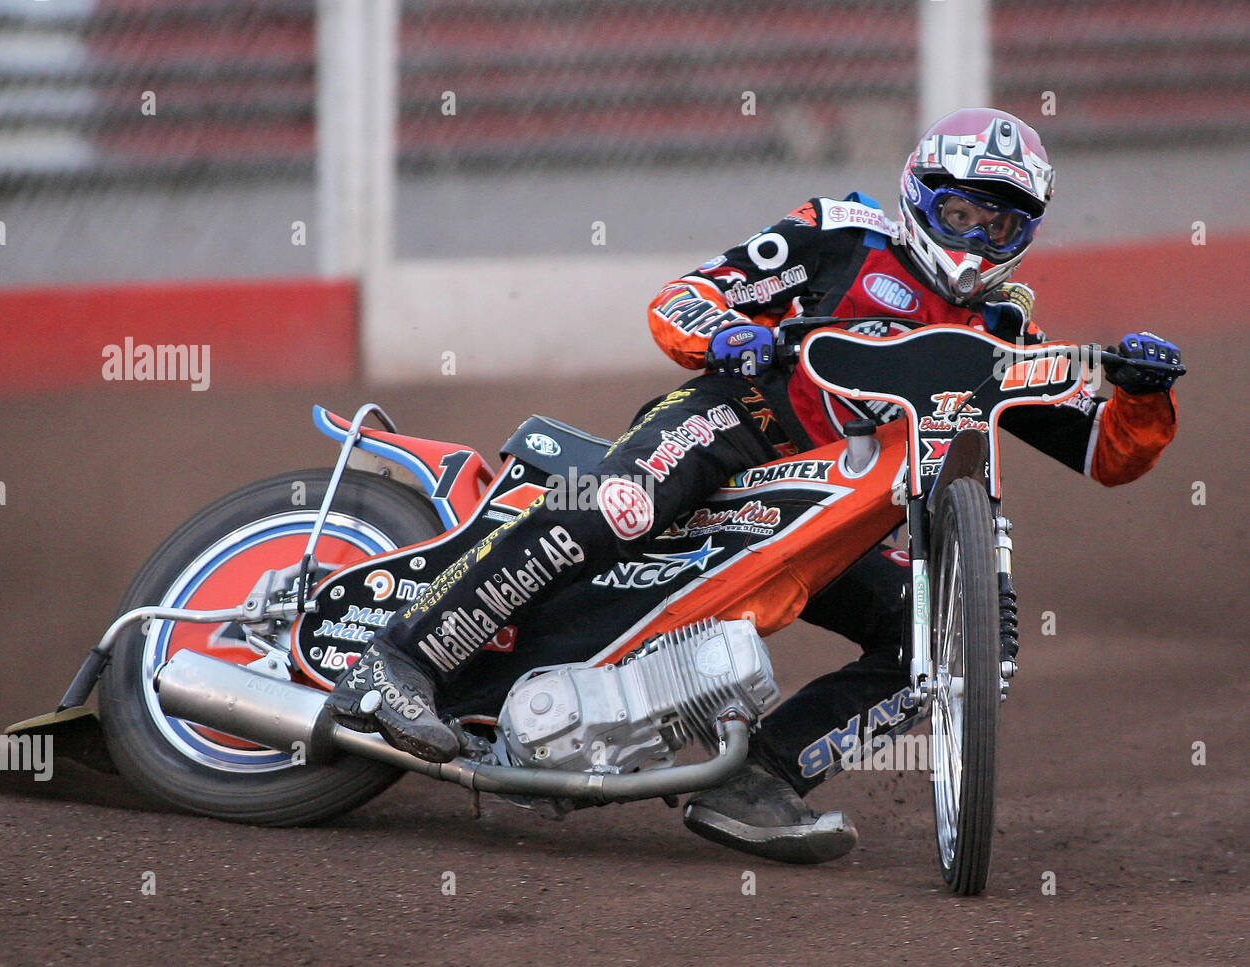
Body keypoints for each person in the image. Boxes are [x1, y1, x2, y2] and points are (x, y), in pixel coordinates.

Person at [314, 108, 1184, 863]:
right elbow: (686, 295)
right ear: (921, 192)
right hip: (736, 428)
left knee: (932, 644)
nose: (975, 237)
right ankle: (396, 663)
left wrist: (1143, 395)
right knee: (622, 501)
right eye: (959, 211)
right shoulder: (842, 233)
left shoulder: (1005, 332)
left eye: (1000, 226)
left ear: (1025, 234)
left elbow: (1105, 453)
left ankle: (759, 781)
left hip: (836, 513)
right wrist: (729, 336)